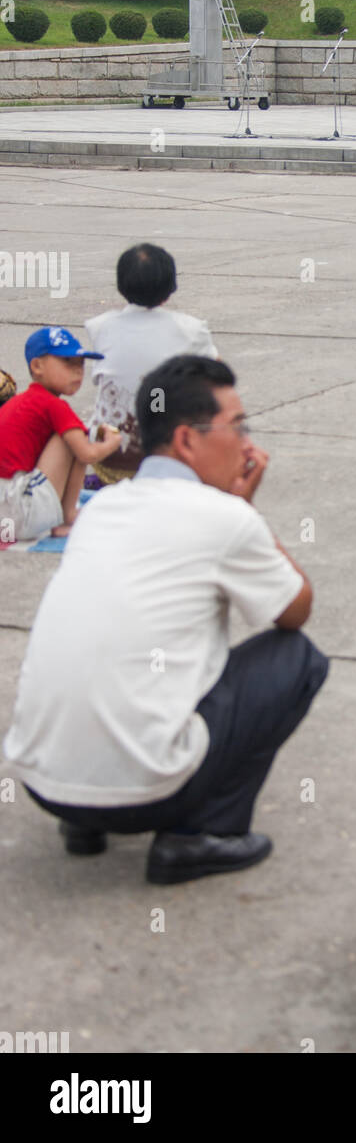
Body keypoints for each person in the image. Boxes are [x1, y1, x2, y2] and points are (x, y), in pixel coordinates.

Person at [3, 355, 327, 885]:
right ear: (187, 440)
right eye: (238, 427)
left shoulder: (104, 508)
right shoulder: (223, 516)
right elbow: (295, 609)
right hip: (141, 796)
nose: (249, 445)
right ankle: (198, 836)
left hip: (43, 783)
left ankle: (83, 826)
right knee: (298, 659)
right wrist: (246, 512)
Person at [84, 242, 218, 484]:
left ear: (121, 284)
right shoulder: (191, 330)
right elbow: (216, 376)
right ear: (170, 286)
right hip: (166, 461)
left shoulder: (100, 327)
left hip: (110, 457)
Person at [0, 327, 122, 542]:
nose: (77, 371)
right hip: (19, 513)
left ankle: (64, 514)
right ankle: (68, 516)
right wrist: (112, 443)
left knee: (71, 433)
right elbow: (87, 455)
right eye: (67, 362)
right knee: (76, 438)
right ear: (37, 366)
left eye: (81, 364)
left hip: (6, 511)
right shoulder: (54, 405)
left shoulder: (22, 401)